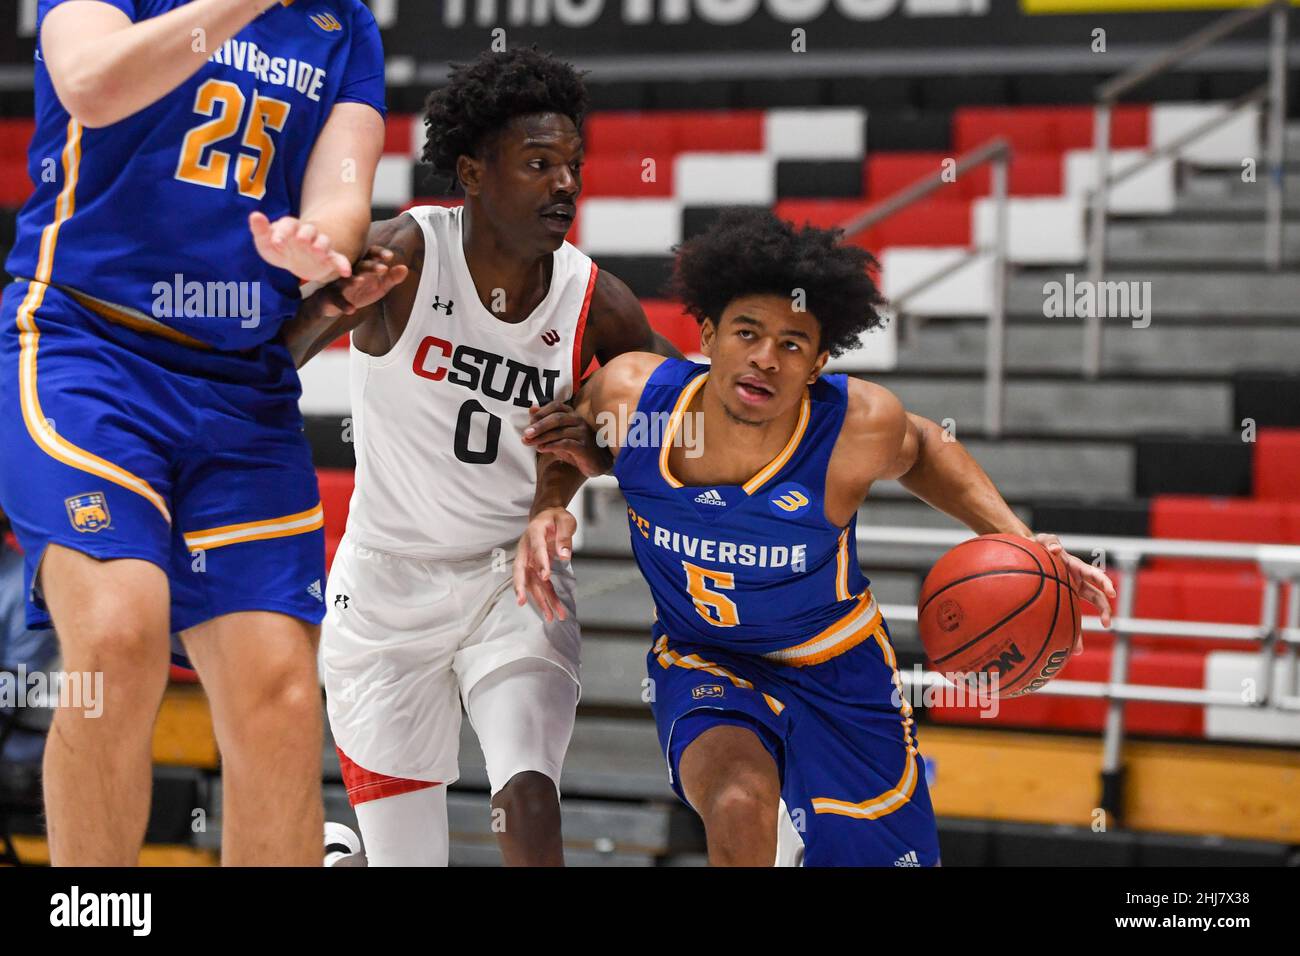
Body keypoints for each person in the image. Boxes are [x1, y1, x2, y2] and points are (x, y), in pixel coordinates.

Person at [514, 208, 1116, 866]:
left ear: (819, 363)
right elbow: (565, 437)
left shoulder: (853, 427)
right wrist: (550, 504)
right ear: (709, 335)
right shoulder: (631, 397)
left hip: (839, 667)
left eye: (793, 344)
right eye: (747, 333)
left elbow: (923, 448)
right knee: (739, 800)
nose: (766, 358)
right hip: (704, 656)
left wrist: (1023, 543)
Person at [0, 0, 386, 865]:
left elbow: (342, 194)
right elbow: (92, 85)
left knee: (280, 694)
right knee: (115, 636)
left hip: (239, 385)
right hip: (83, 347)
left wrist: (315, 246)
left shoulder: (346, 26)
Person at [286, 47, 679, 866]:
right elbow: (272, 360)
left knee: (528, 794)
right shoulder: (405, 254)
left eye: (573, 164)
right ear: (471, 171)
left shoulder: (596, 301)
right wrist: (327, 302)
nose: (565, 183)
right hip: (387, 583)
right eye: (539, 164)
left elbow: (670, 427)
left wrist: (593, 462)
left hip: (516, 574)